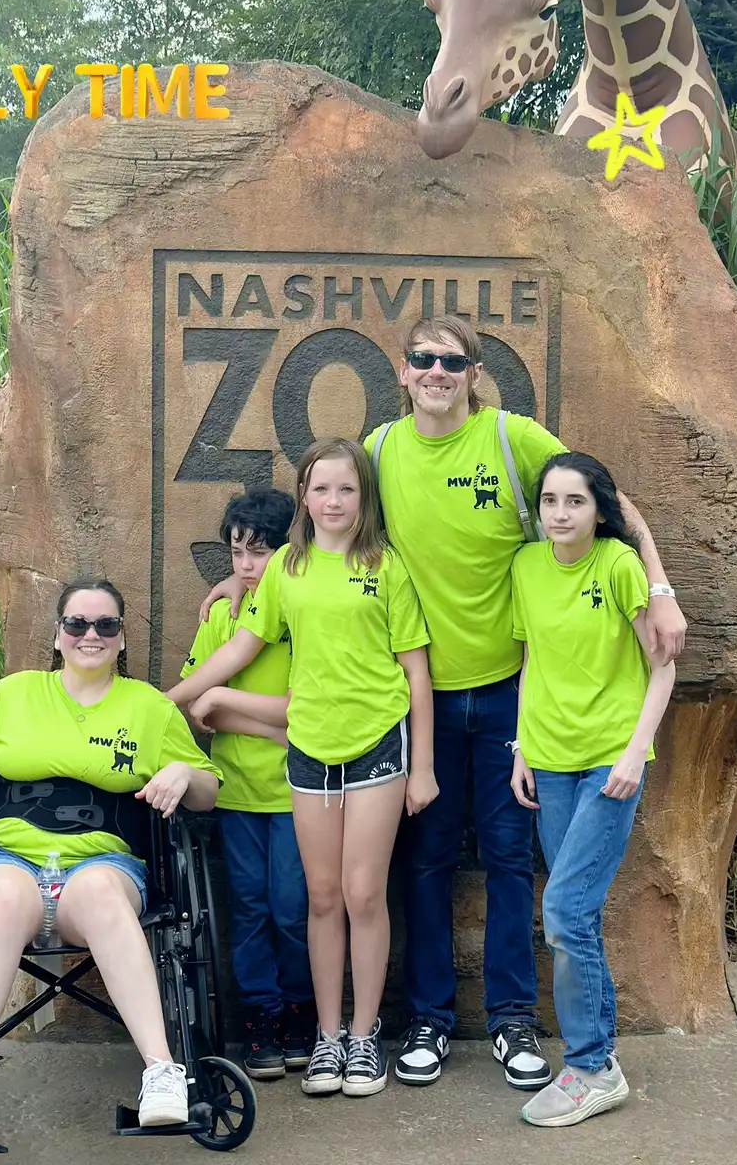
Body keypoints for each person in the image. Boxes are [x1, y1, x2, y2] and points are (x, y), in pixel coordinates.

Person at [202, 314, 686, 1092]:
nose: (436, 371)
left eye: (451, 361)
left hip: (504, 694)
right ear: (401, 371)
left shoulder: (512, 438)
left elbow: (610, 501)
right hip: (414, 701)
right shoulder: (385, 451)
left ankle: (511, 1020)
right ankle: (424, 1019)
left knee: (505, 862)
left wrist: (658, 586)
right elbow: (323, 536)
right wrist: (245, 576)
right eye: (423, 359)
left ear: (474, 372)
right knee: (422, 865)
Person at [0, 578, 222, 1149]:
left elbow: (208, 792)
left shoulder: (149, 708)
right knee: (5, 897)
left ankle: (162, 1073)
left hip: (101, 865)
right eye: (77, 624)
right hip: (2, 861)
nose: (90, 635)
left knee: (98, 891)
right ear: (58, 634)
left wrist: (184, 772)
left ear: (122, 639)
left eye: (106, 625)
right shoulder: (13, 694)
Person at [176, 438, 438, 1099]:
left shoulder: (386, 566)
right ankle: (326, 1037)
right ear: (305, 497)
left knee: (363, 894)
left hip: (377, 745)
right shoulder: (288, 569)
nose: (333, 501)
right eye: (321, 489)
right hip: (309, 751)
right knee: (320, 897)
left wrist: (423, 767)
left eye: (346, 489)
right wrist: (165, 702)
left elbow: (416, 672)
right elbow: (241, 644)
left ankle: (363, 1033)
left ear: (363, 496)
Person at [510, 454, 675, 1126]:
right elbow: (529, 661)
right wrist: (519, 746)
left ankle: (588, 1066)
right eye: (550, 500)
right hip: (547, 760)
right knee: (574, 915)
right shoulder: (525, 568)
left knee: (564, 910)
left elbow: (661, 670)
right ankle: (597, 1061)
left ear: (599, 510)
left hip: (610, 762)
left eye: (574, 501)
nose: (560, 513)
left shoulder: (618, 566)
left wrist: (636, 754)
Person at [167, 487, 316, 1082]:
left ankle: (301, 1013)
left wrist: (234, 705)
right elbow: (200, 706)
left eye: (258, 553)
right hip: (235, 793)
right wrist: (268, 723)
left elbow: (309, 708)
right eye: (237, 554)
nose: (247, 567)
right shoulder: (224, 615)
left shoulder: (304, 611)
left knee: (293, 908)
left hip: (296, 793)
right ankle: (261, 1016)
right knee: (249, 909)